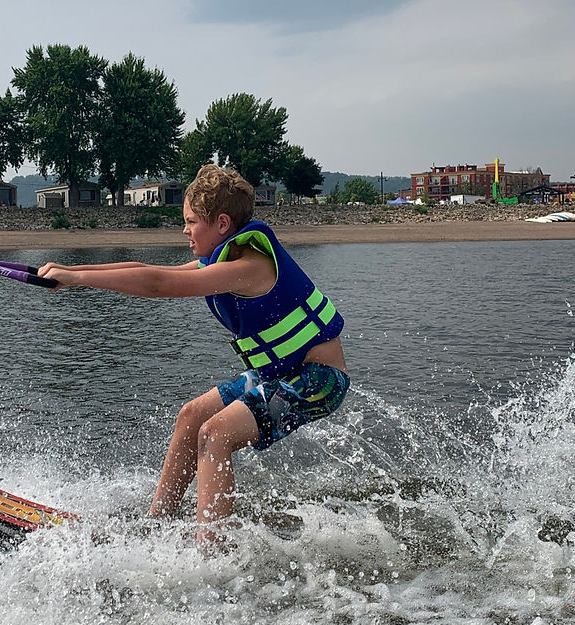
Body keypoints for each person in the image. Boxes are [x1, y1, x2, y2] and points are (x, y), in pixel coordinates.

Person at [39, 164, 349, 547]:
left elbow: (158, 285)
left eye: (190, 222)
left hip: (319, 380)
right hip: (280, 374)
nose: (184, 230)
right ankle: (155, 524)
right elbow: (146, 269)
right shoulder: (223, 261)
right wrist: (70, 272)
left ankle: (211, 552)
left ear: (221, 223)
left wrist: (78, 278)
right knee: (191, 416)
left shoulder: (250, 267)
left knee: (215, 433)